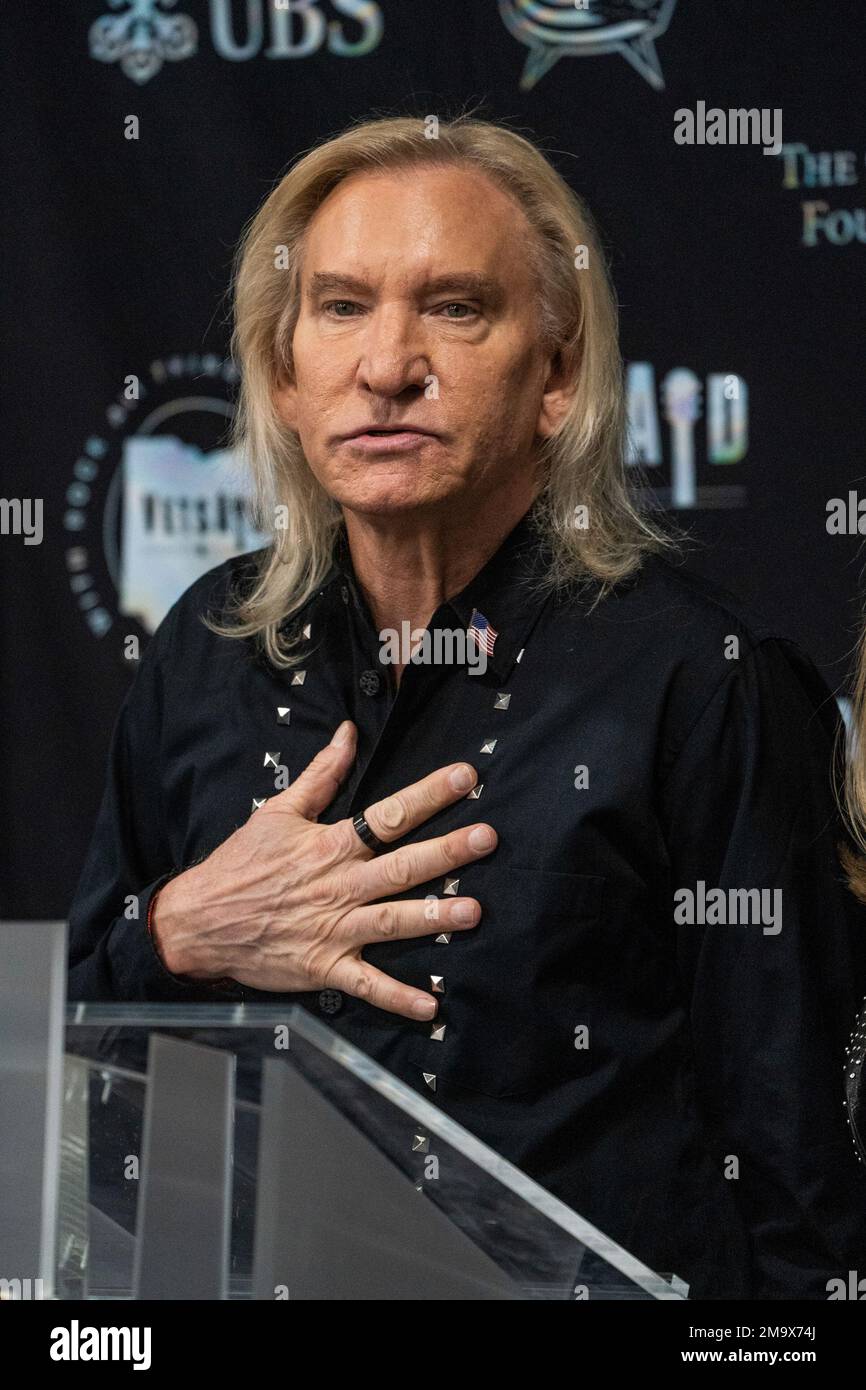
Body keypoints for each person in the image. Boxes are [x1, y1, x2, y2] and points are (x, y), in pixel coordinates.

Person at [68, 114, 866, 1299]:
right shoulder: (203, 649)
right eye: (339, 307)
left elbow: (799, 1182)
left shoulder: (704, 680)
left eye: (452, 307)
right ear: (283, 376)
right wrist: (177, 931)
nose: (386, 365)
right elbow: (69, 1063)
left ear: (553, 373)